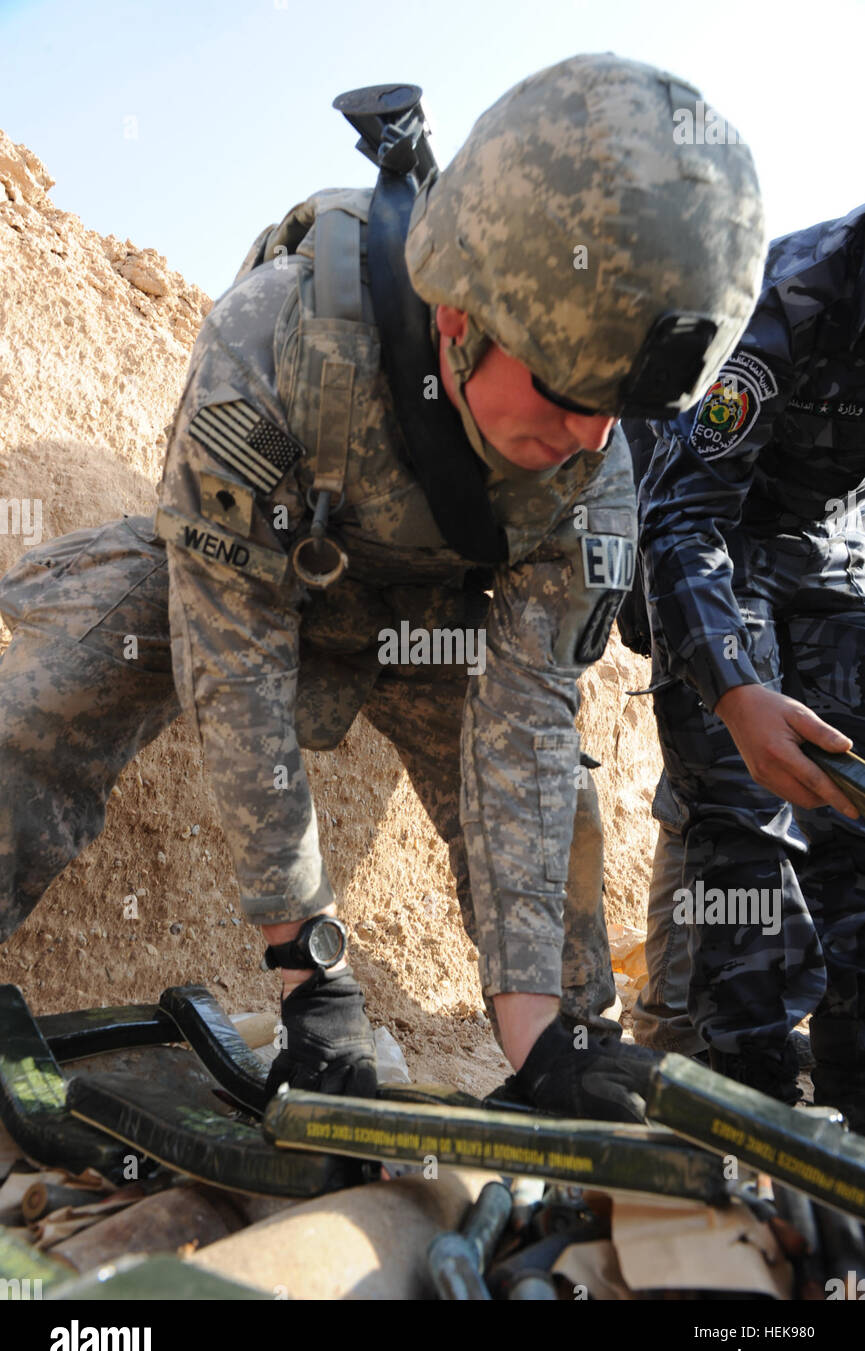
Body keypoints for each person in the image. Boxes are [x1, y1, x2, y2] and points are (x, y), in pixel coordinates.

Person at [0, 53, 765, 1120]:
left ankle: (570, 1048)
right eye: (566, 393)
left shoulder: (595, 466)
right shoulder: (271, 344)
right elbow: (235, 660)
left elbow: (527, 725)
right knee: (40, 703)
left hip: (427, 627)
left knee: (571, 819)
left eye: (617, 407)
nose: (591, 437)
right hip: (246, 584)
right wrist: (310, 972)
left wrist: (538, 1034)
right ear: (461, 319)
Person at [635, 203, 865, 1124]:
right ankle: (746, 1117)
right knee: (742, 809)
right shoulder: (791, 298)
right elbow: (683, 514)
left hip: (830, 551)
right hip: (711, 529)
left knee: (851, 801)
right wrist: (732, 691)